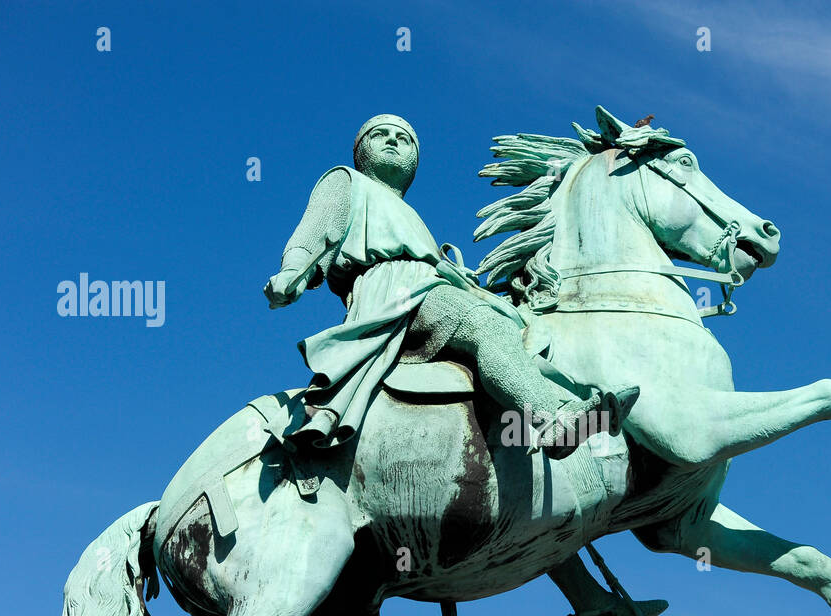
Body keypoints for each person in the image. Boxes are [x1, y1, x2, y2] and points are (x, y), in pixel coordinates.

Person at [264, 113, 636, 457]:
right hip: (395, 290)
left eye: (404, 139)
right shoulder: (347, 180)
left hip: (432, 287)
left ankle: (566, 399)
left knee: (522, 328)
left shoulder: (411, 214)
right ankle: (554, 420)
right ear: (362, 151)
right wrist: (291, 273)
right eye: (381, 135)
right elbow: (313, 233)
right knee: (483, 324)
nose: (393, 141)